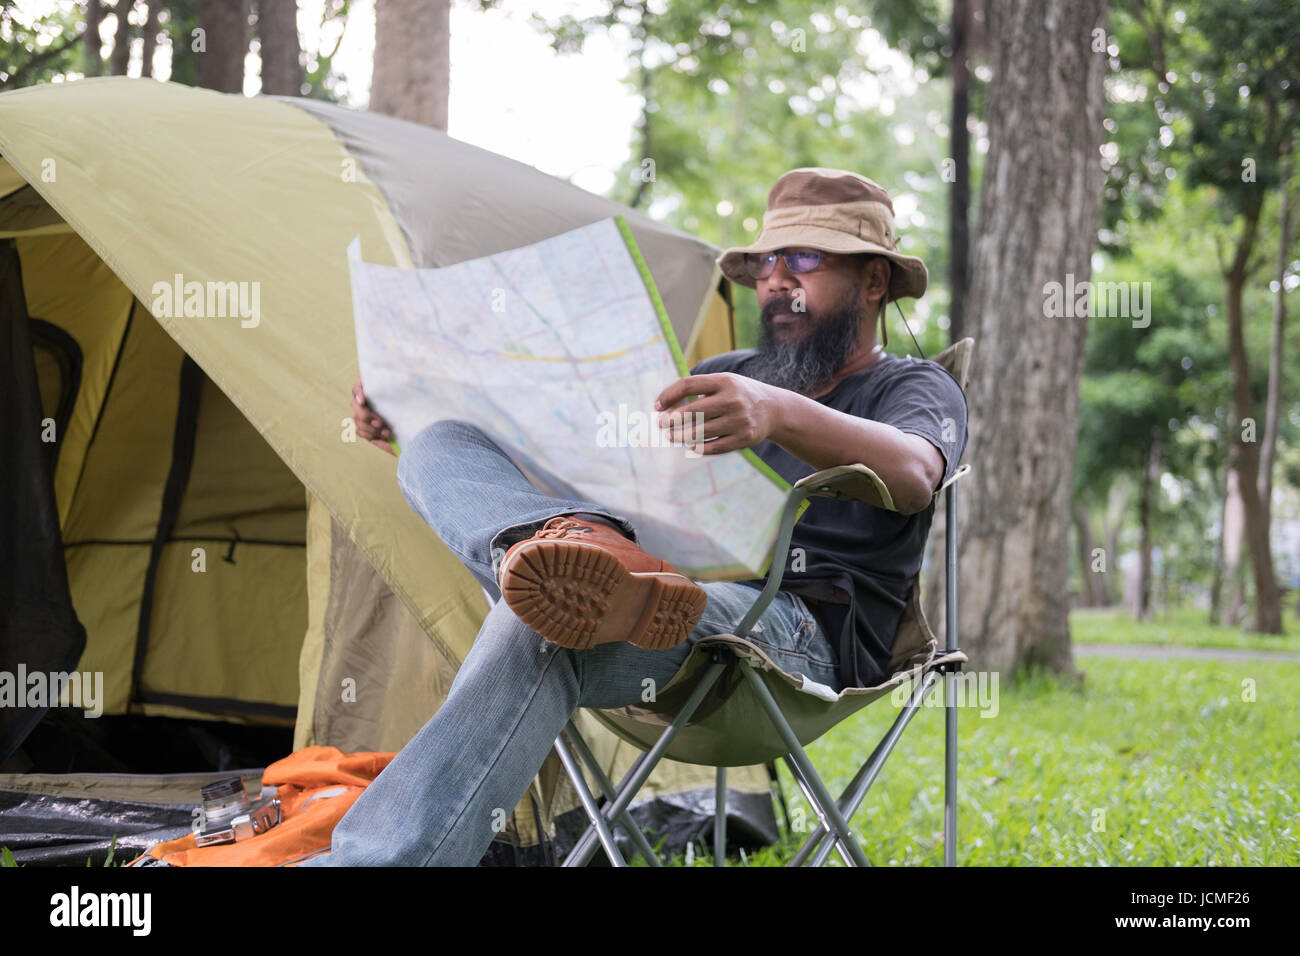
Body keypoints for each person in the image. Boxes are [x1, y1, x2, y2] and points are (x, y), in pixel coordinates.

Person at [302, 167, 968, 866]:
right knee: (442, 448)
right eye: (766, 262)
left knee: (550, 617)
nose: (775, 279)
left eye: (803, 259)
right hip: (663, 599)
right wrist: (409, 411)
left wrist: (775, 410)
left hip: (796, 635)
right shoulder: (728, 371)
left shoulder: (915, 386)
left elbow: (918, 473)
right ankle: (570, 538)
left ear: (873, 283)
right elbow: (618, 472)